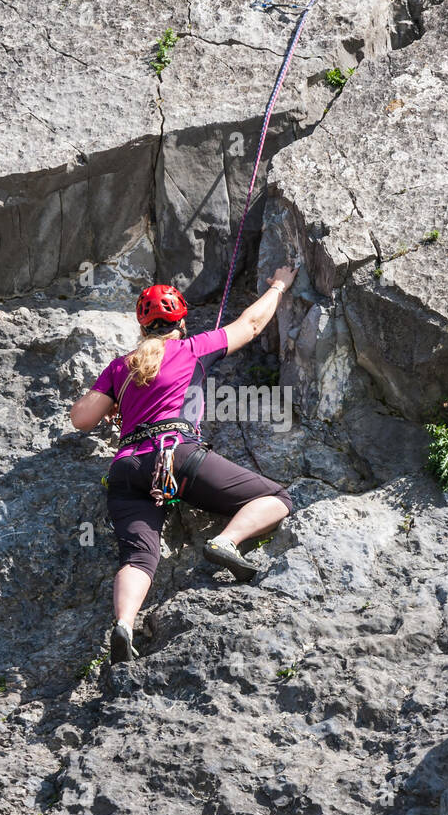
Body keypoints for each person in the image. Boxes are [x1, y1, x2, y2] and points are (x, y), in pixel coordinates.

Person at [69, 267, 299, 663]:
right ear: (181, 321)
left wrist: (114, 404)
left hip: (127, 467)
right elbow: (253, 323)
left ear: (142, 327)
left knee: (138, 557)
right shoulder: (193, 348)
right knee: (277, 497)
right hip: (177, 454)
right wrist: (279, 285)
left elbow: (81, 419)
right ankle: (226, 542)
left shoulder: (120, 367)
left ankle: (124, 623)